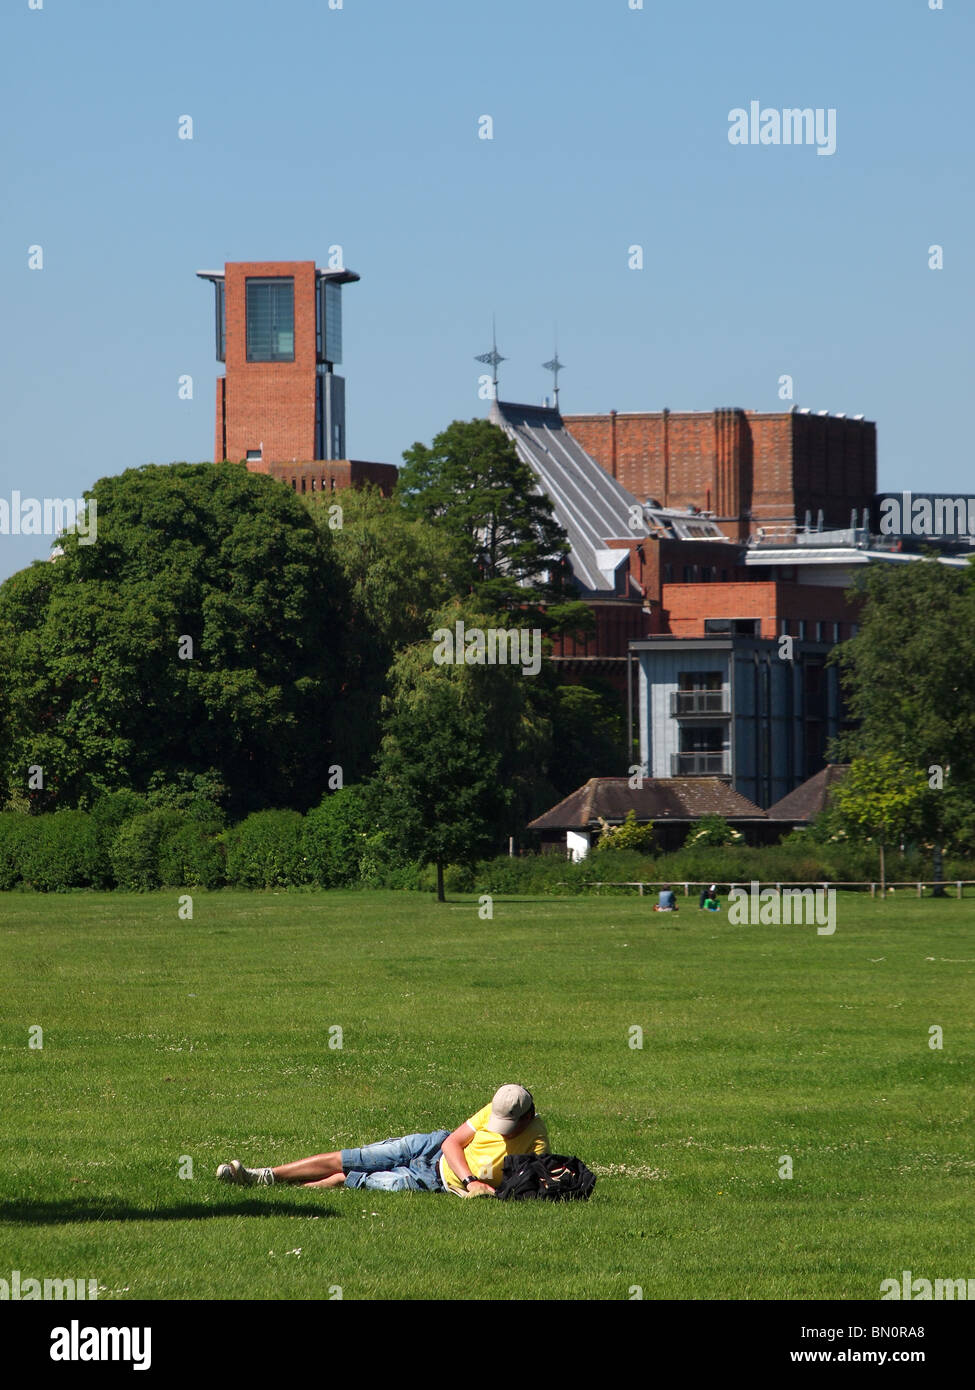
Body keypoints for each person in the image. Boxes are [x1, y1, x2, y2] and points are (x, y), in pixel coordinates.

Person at [216, 1083, 549, 1198]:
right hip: (432, 1147)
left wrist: (487, 1190)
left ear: (527, 1117)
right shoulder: (495, 1106)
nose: (499, 1128)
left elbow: (524, 1182)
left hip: (433, 1181)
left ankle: (307, 1189)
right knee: (355, 1157)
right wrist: (471, 1180)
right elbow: (452, 1143)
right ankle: (263, 1175)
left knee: (365, 1180)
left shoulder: (536, 1140)